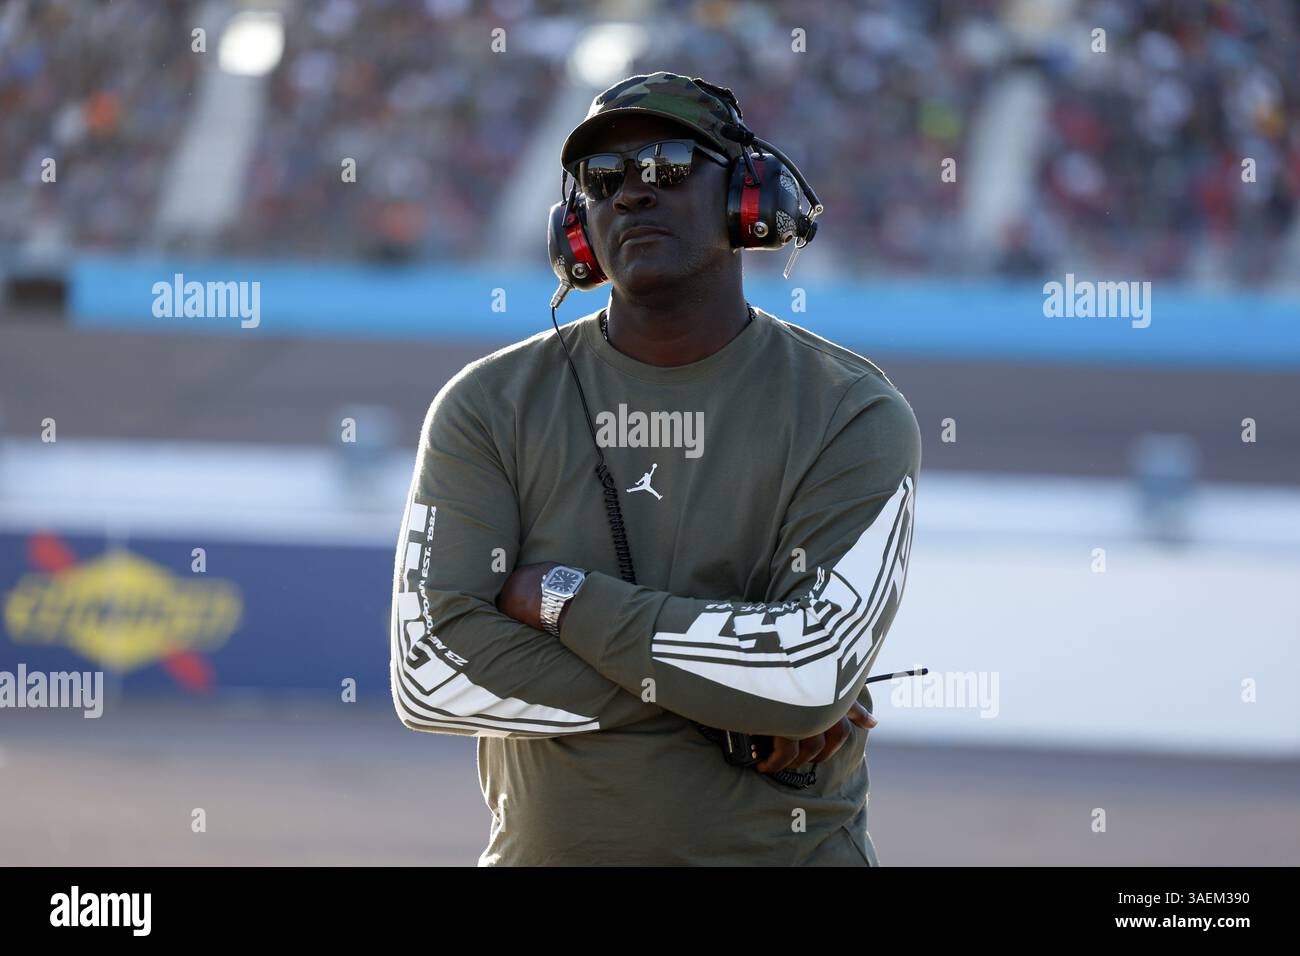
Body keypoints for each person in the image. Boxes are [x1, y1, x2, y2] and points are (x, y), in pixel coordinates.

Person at [390, 72, 921, 865]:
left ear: (748, 197)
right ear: (577, 227)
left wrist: (559, 597)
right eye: (601, 180)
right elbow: (430, 672)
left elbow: (809, 671)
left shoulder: (851, 411)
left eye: (669, 164)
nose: (632, 193)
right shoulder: (487, 405)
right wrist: (738, 691)